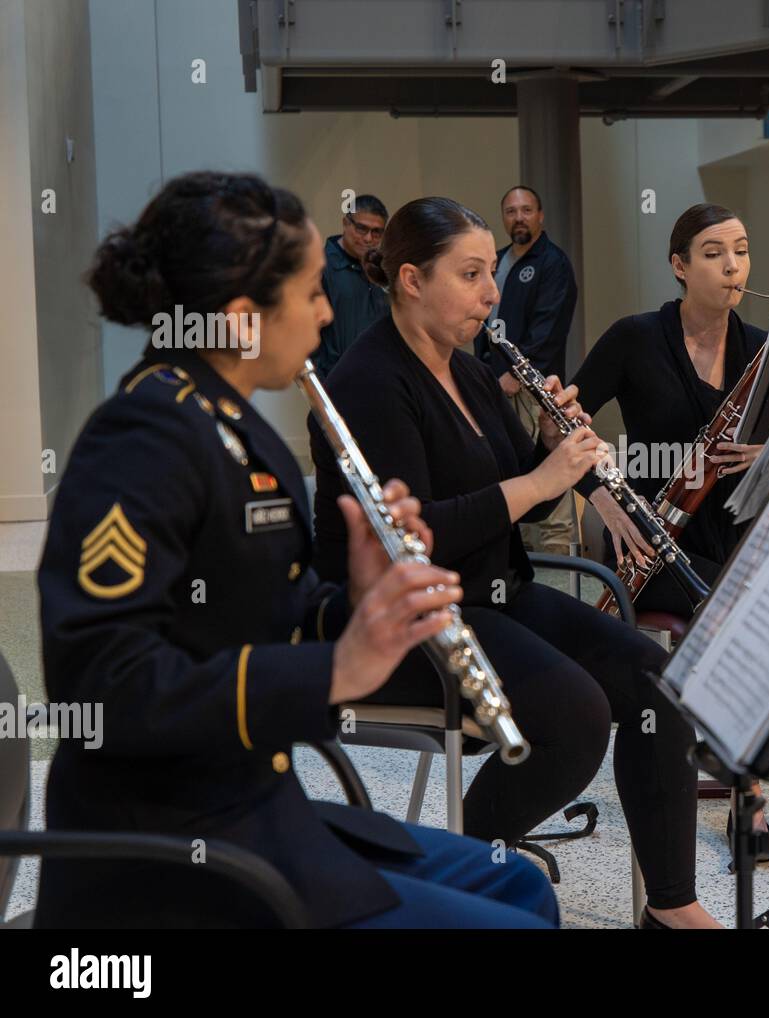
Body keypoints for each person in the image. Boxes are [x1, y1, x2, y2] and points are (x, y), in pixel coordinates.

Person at [36, 171, 558, 929]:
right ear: (245, 316)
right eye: (313, 293)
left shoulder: (241, 429)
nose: (325, 314)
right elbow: (104, 686)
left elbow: (277, 610)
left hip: (255, 807)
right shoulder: (144, 437)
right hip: (166, 847)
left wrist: (365, 605)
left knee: (520, 886)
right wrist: (337, 669)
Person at [310, 196, 723, 929]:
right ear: (411, 279)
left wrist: (554, 452)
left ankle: (672, 907)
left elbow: (519, 504)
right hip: (403, 615)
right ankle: (439, 876)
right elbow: (420, 533)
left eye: (492, 273)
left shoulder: (470, 374)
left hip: (493, 593)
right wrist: (540, 479)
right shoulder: (369, 383)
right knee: (572, 717)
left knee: (660, 687)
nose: (492, 294)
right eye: (471, 275)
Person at [571, 203, 769, 858]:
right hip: (660, 542)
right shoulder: (634, 338)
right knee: (746, 614)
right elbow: (560, 420)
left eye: (741, 249)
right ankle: (749, 800)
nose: (733, 265)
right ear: (679, 265)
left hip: (746, 533)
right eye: (713, 252)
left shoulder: (766, 348)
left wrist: (768, 452)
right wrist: (602, 497)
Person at [473, 185, 579, 554]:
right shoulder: (497, 262)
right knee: (515, 480)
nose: (519, 217)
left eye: (527, 210)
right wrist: (483, 377)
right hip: (495, 390)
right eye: (511, 211)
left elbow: (547, 331)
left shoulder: (553, 263)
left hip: (535, 393)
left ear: (540, 216)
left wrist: (514, 377)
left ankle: (562, 579)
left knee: (551, 493)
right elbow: (483, 327)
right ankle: (528, 573)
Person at [315, 193, 389, 377]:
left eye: (377, 232)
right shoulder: (320, 268)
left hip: (381, 380)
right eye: (362, 229)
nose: (368, 239)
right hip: (335, 384)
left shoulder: (383, 268)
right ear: (346, 223)